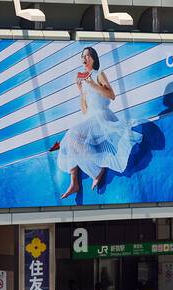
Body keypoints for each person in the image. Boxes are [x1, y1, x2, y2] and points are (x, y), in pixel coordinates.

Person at [50, 46, 141, 199]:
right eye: (82, 56)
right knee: (68, 141)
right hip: (91, 120)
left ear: (93, 59)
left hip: (103, 117)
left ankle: (98, 170)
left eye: (87, 55)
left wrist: (93, 84)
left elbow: (112, 95)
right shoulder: (85, 82)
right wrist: (80, 90)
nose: (84, 58)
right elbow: (85, 111)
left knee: (71, 134)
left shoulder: (99, 74)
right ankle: (74, 182)